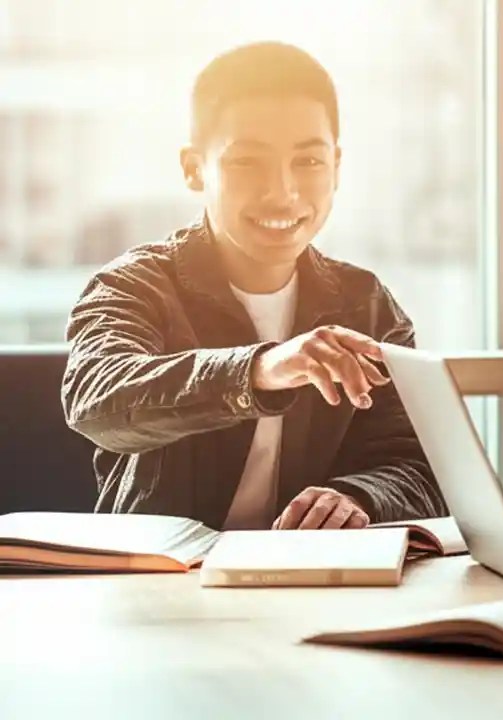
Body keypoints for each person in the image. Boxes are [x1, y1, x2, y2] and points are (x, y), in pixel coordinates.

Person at [61, 42, 446, 530]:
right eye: (247, 162)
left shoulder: (365, 304)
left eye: (308, 163)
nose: (282, 193)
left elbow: (416, 466)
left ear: (337, 165)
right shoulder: (132, 285)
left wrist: (356, 497)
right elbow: (97, 400)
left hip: (319, 584)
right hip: (166, 585)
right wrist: (260, 370)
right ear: (194, 168)